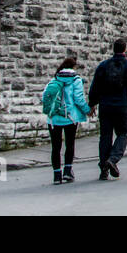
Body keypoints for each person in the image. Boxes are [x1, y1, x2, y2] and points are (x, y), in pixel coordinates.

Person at [87, 38, 127, 180]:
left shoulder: (103, 65)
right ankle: (113, 159)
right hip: (122, 105)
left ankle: (104, 168)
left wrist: (92, 103)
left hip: (105, 105)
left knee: (105, 136)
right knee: (123, 133)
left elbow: (95, 86)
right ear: (125, 49)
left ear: (113, 49)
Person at [40, 55, 90, 184]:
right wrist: (87, 110)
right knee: (70, 144)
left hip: (54, 119)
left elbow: (45, 96)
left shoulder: (54, 79)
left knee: (55, 147)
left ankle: (57, 175)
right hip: (70, 118)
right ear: (74, 67)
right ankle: (67, 171)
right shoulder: (76, 80)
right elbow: (78, 99)